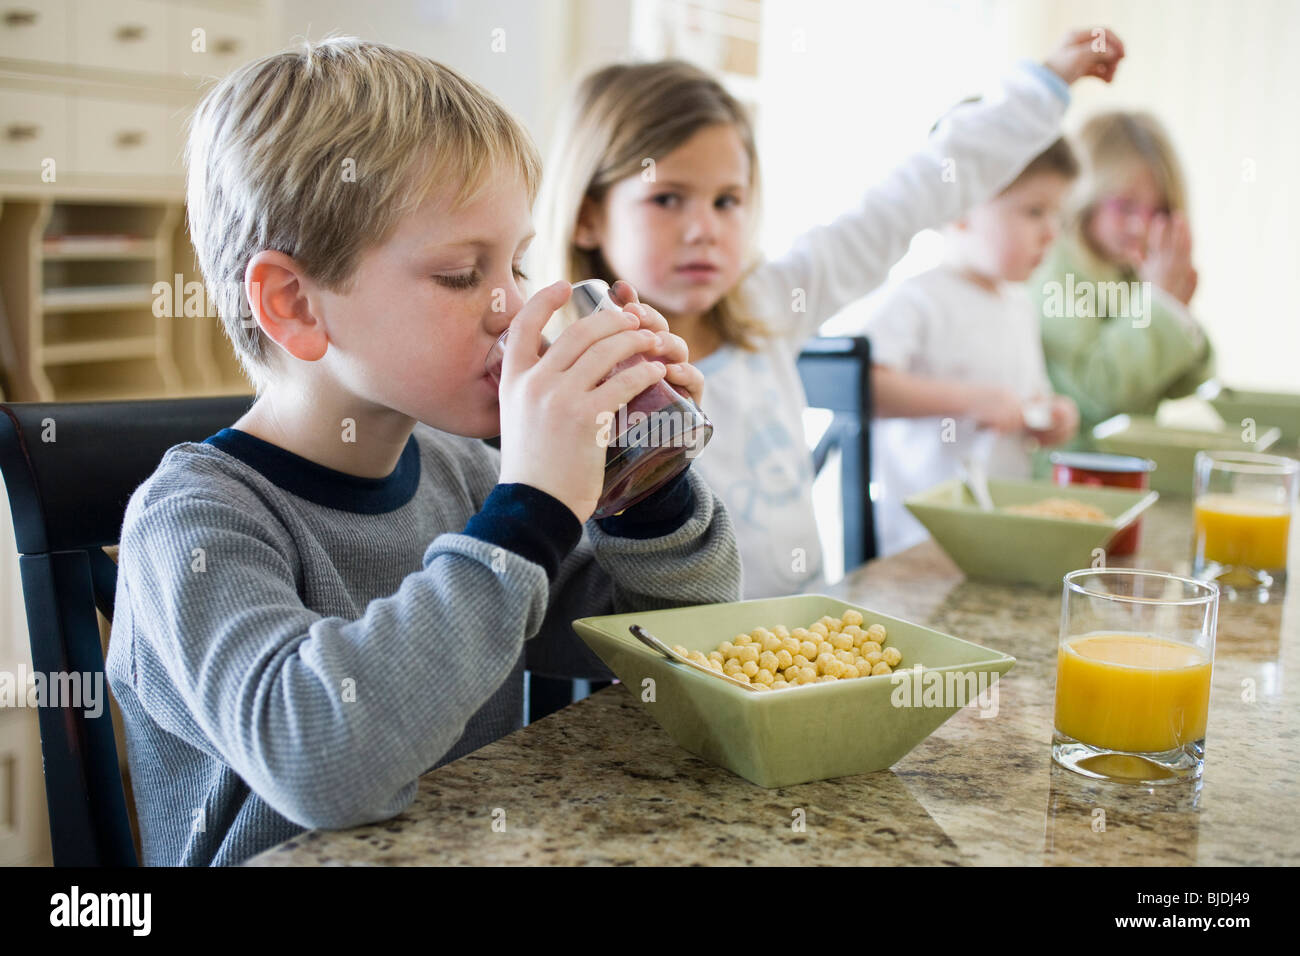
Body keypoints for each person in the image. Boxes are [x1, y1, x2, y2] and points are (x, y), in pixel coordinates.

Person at [105, 38, 740, 867]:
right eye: (459, 274)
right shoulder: (194, 521)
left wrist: (640, 474)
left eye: (514, 261)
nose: (513, 308)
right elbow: (321, 764)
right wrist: (532, 512)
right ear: (294, 303)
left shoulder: (465, 471)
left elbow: (670, 648)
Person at [533, 29, 1124, 597]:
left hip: (799, 649)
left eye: (728, 200)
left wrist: (1040, 88)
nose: (704, 230)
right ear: (588, 215)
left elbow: (905, 198)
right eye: (667, 198)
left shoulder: (771, 305)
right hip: (656, 667)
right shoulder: (566, 380)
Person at [862, 137, 1082, 555]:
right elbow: (866, 387)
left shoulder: (1019, 306)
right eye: (1034, 211)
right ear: (960, 209)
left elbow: (1026, 398)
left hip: (1000, 528)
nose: (1052, 232)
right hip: (920, 539)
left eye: (1057, 214)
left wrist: (1049, 414)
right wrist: (968, 401)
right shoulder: (918, 298)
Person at [1031, 111, 1214, 447]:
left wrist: (1177, 311)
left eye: (1157, 212)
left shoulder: (1134, 272)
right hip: (1067, 471)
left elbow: (1186, 385)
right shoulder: (1051, 266)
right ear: (1085, 196)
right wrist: (1161, 305)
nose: (1140, 227)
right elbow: (1097, 392)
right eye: (1125, 207)